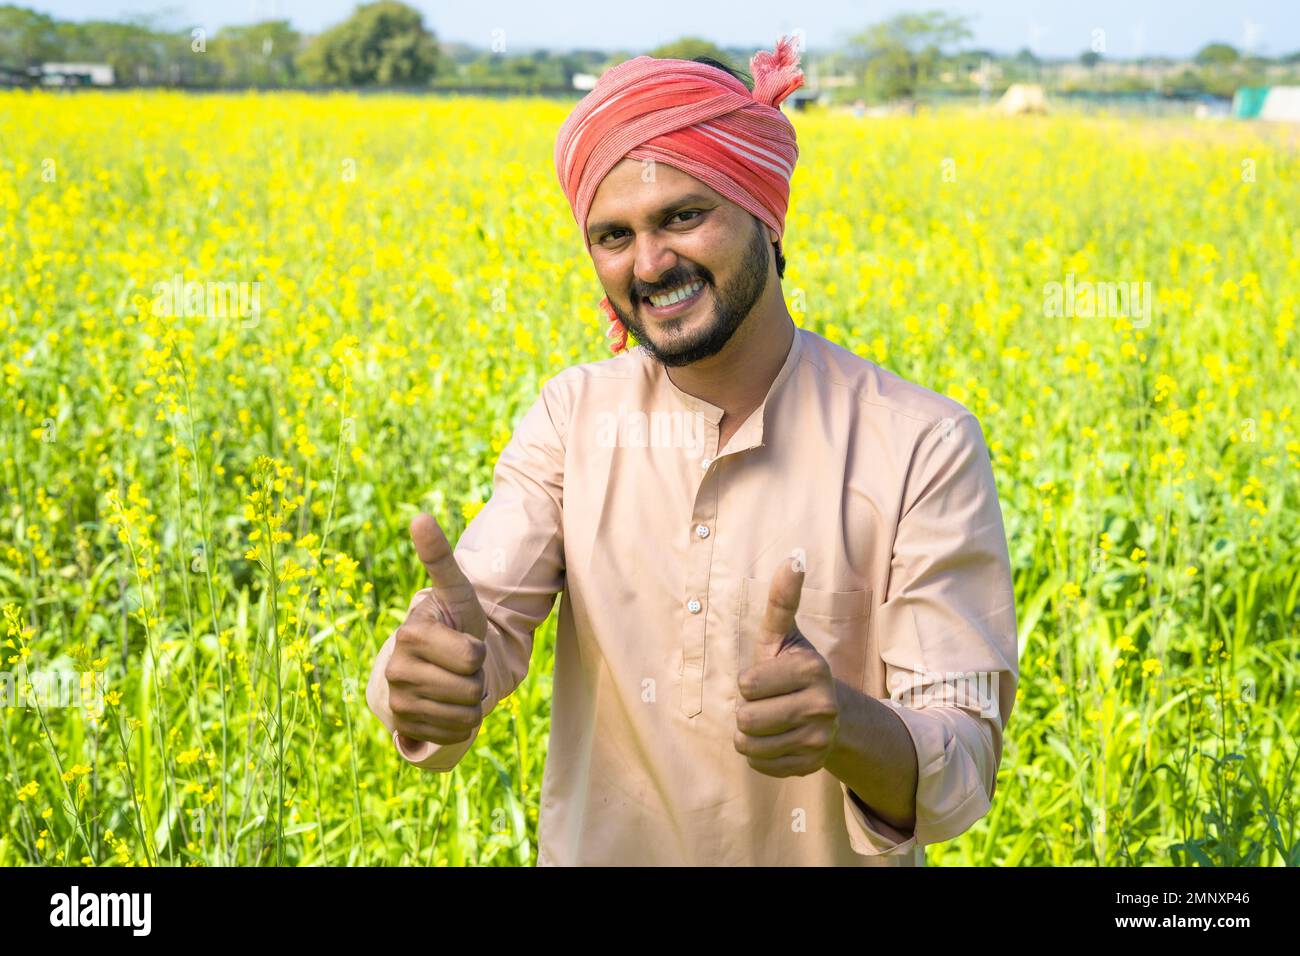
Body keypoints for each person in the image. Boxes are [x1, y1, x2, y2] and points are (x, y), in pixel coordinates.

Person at [367, 34, 1018, 866]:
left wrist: (843, 724)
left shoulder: (920, 444)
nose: (649, 263)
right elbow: (476, 627)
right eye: (612, 236)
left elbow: (962, 766)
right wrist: (426, 676)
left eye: (683, 215)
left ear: (764, 210)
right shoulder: (574, 417)